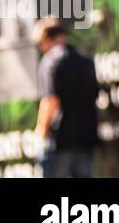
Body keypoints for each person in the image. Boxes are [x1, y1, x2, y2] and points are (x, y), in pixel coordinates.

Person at [33, 19, 99, 178]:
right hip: (85, 137)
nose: (42, 48)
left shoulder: (50, 62)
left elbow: (50, 101)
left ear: (47, 39)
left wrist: (41, 132)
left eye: (41, 44)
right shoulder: (85, 59)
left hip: (60, 140)